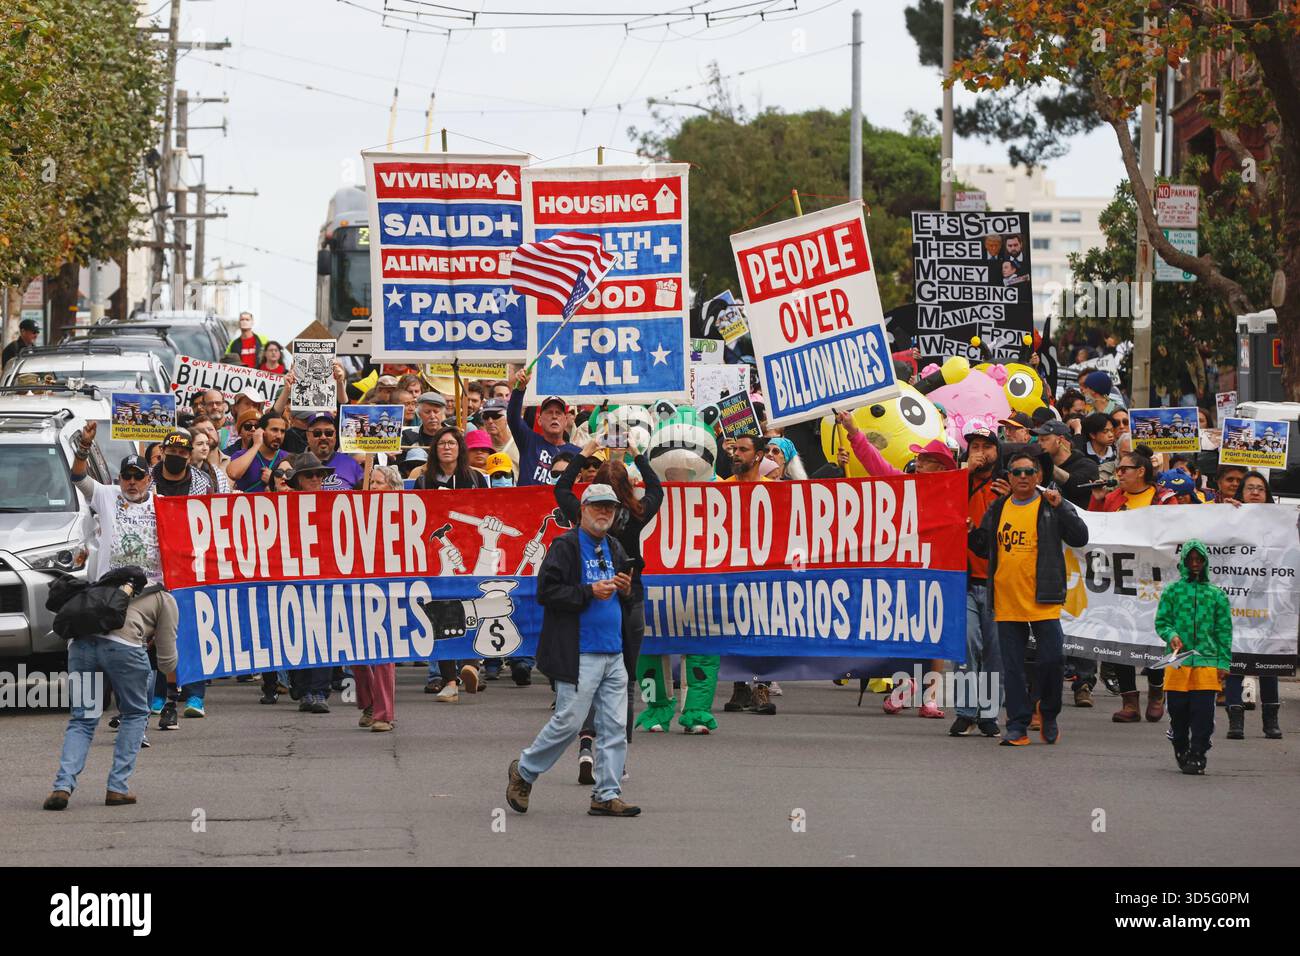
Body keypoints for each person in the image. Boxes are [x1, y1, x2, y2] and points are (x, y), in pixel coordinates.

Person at [506, 484, 641, 818]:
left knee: (614, 727)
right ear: (582, 509)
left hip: (613, 651)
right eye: (597, 506)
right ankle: (524, 770)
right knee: (569, 722)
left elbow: (631, 596)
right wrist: (587, 591)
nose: (604, 512)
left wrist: (626, 590)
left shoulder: (614, 546)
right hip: (579, 651)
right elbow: (546, 592)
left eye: (609, 507)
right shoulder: (565, 546)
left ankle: (606, 793)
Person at [557, 430, 666, 776]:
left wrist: (584, 453)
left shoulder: (586, 515)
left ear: (592, 491)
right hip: (629, 599)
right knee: (624, 681)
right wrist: (638, 455)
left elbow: (560, 489)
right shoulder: (636, 513)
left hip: (593, 602)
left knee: (589, 676)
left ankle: (586, 744)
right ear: (627, 488)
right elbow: (657, 490)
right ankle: (617, 762)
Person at [970, 450, 1089, 746]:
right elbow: (984, 548)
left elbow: (1080, 537)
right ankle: (1017, 725)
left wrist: (1061, 507)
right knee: (1012, 668)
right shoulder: (997, 508)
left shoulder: (1050, 505)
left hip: (1043, 599)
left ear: (1038, 476)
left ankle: (1047, 713)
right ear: (1009, 477)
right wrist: (971, 533)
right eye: (1016, 472)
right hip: (1007, 600)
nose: (1023, 477)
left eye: (1028, 472)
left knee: (1052, 661)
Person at [43, 572, 179, 810]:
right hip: (125, 648)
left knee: (82, 720)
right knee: (135, 714)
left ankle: (62, 787)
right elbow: (166, 661)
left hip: (80, 646)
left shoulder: (102, 586)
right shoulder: (163, 597)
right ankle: (117, 788)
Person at [1090, 452, 1177, 722]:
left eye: (1124, 469)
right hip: (1121, 579)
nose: (1119, 474)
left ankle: (1156, 691)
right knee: (1121, 635)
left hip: (1154, 581)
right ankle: (1129, 701)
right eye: (1118, 469)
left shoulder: (1165, 499)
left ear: (1141, 471)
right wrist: (1097, 499)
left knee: (1154, 636)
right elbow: (1092, 532)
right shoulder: (1114, 499)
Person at [949, 425, 1010, 737]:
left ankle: (988, 714)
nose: (980, 452)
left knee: (995, 653)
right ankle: (964, 711)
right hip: (963, 580)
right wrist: (962, 478)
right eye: (974, 446)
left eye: (986, 446)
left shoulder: (1006, 488)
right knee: (967, 645)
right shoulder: (956, 483)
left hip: (997, 582)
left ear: (996, 452)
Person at [1156, 540, 1233, 774]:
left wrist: (1223, 662)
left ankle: (1198, 753)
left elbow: (1224, 632)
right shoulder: (1172, 592)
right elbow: (1162, 622)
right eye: (1191, 560)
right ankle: (1180, 744)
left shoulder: (1216, 595)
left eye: (1199, 560)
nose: (1195, 564)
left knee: (1203, 712)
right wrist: (1171, 635)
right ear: (1184, 562)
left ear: (1206, 562)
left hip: (1207, 662)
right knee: (1178, 710)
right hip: (1178, 661)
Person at [721, 434, 778, 715]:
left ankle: (761, 688)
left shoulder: (775, 490)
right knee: (734, 627)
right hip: (732, 570)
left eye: (743, 450)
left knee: (763, 630)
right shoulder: (721, 489)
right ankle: (740, 686)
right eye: (734, 449)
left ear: (758, 456)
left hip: (764, 571)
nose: (736, 454)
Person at [284, 453, 338, 713]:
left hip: (325, 578)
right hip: (293, 579)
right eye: (310, 475)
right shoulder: (281, 507)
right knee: (297, 634)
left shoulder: (334, 504)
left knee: (322, 635)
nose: (316, 478)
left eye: (320, 474)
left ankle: (318, 691)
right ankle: (301, 684)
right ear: (297, 480)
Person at [509, 369, 580, 485]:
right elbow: (513, 418)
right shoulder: (529, 442)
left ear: (566, 420)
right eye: (549, 412)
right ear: (540, 420)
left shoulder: (577, 453)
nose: (554, 417)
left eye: (558, 413)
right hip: (529, 502)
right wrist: (519, 389)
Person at [1036, 419, 1099, 509]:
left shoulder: (1086, 464)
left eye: (1043, 439)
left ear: (1060, 440)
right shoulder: (1040, 465)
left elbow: (1076, 486)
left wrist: (1048, 466)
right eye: (1038, 440)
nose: (1039, 444)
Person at [226, 411, 292, 493]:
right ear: (261, 431)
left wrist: (272, 480)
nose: (279, 435)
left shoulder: (288, 458)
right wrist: (256, 445)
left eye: (282, 431)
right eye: (274, 430)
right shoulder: (243, 455)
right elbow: (233, 474)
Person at [302, 411, 364, 490]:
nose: (323, 437)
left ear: (335, 435)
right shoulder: (296, 465)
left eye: (329, 433)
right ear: (307, 436)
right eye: (317, 433)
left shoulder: (351, 464)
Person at [415, 426, 489, 490]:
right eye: (441, 443)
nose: (446, 447)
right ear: (435, 448)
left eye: (451, 443)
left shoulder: (476, 478)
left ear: (460, 447)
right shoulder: (423, 482)